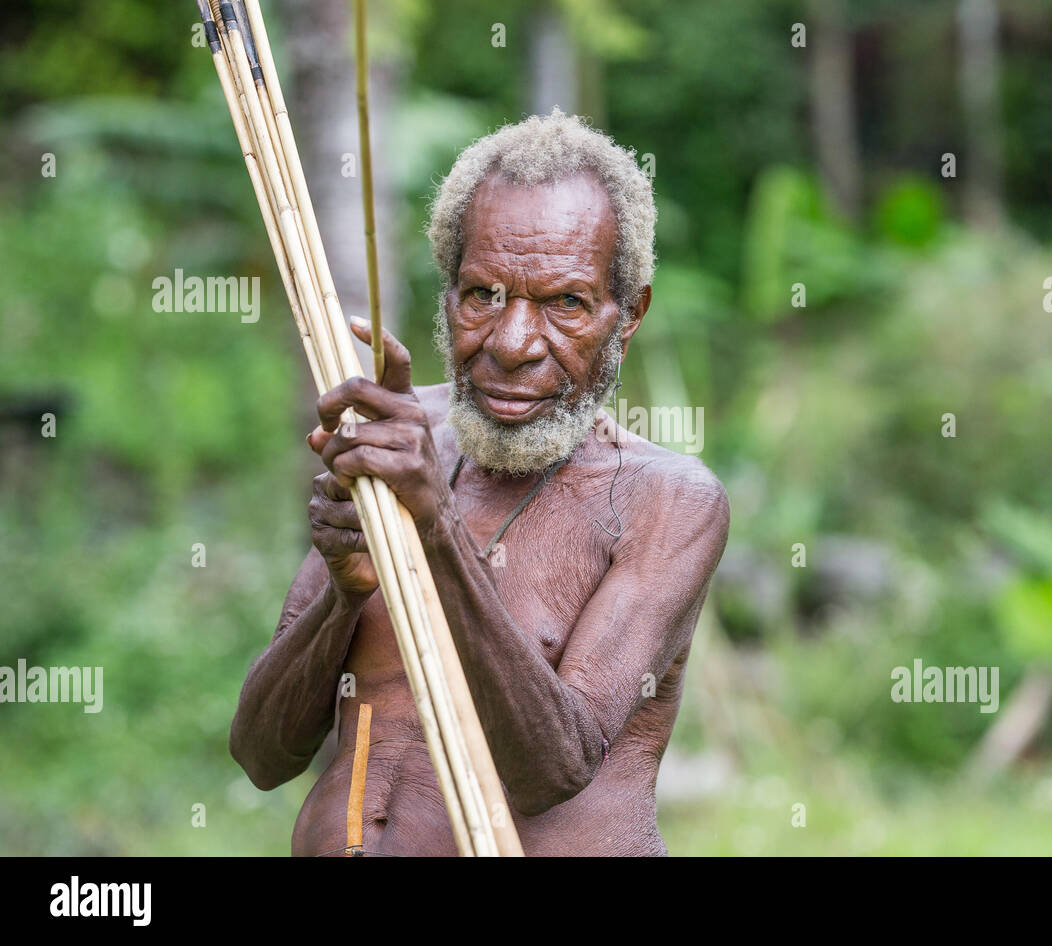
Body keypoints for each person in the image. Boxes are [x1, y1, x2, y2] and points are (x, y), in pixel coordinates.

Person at [229, 110, 730, 856]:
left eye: (565, 303)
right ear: (449, 294)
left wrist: (433, 530)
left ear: (628, 316)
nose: (513, 343)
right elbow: (263, 757)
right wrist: (344, 593)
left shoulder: (669, 501)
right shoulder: (399, 441)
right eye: (482, 295)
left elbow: (549, 768)